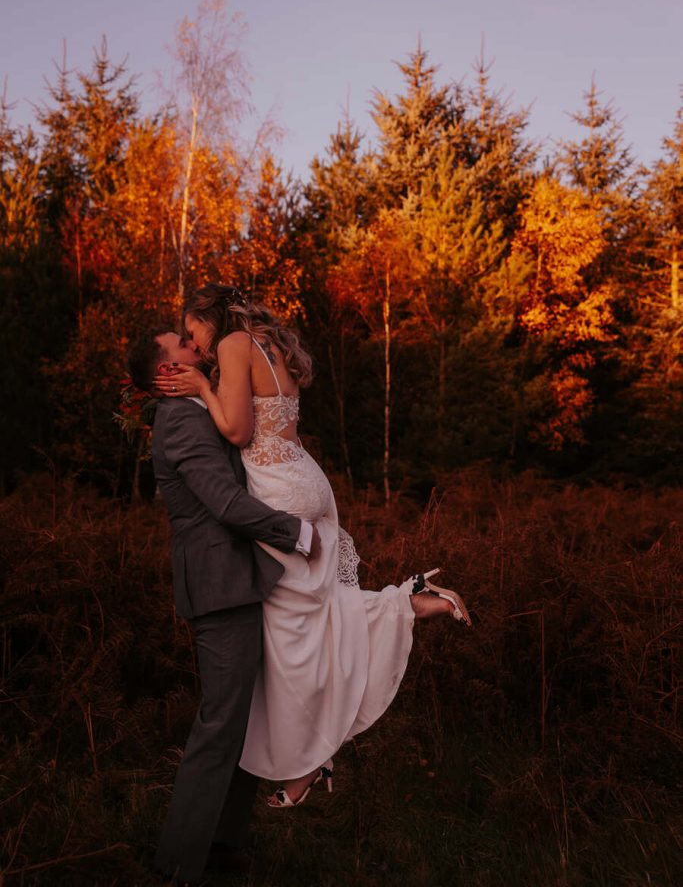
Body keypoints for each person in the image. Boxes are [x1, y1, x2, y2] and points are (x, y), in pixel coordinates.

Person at [153, 284, 471, 812]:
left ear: (213, 320)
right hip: (309, 481)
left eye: (193, 332)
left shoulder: (232, 346)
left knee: (287, 634)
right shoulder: (266, 340)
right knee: (314, 612)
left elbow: (236, 432)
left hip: (277, 490)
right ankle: (405, 603)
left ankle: (309, 755)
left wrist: (203, 391)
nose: (195, 344)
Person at [128, 327, 321, 887]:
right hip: (220, 585)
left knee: (245, 717)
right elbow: (225, 502)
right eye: (183, 347)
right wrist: (298, 533)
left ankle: (225, 844)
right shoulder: (180, 421)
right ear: (167, 373)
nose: (198, 350)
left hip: (242, 578)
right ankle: (178, 865)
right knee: (221, 722)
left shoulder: (199, 408)